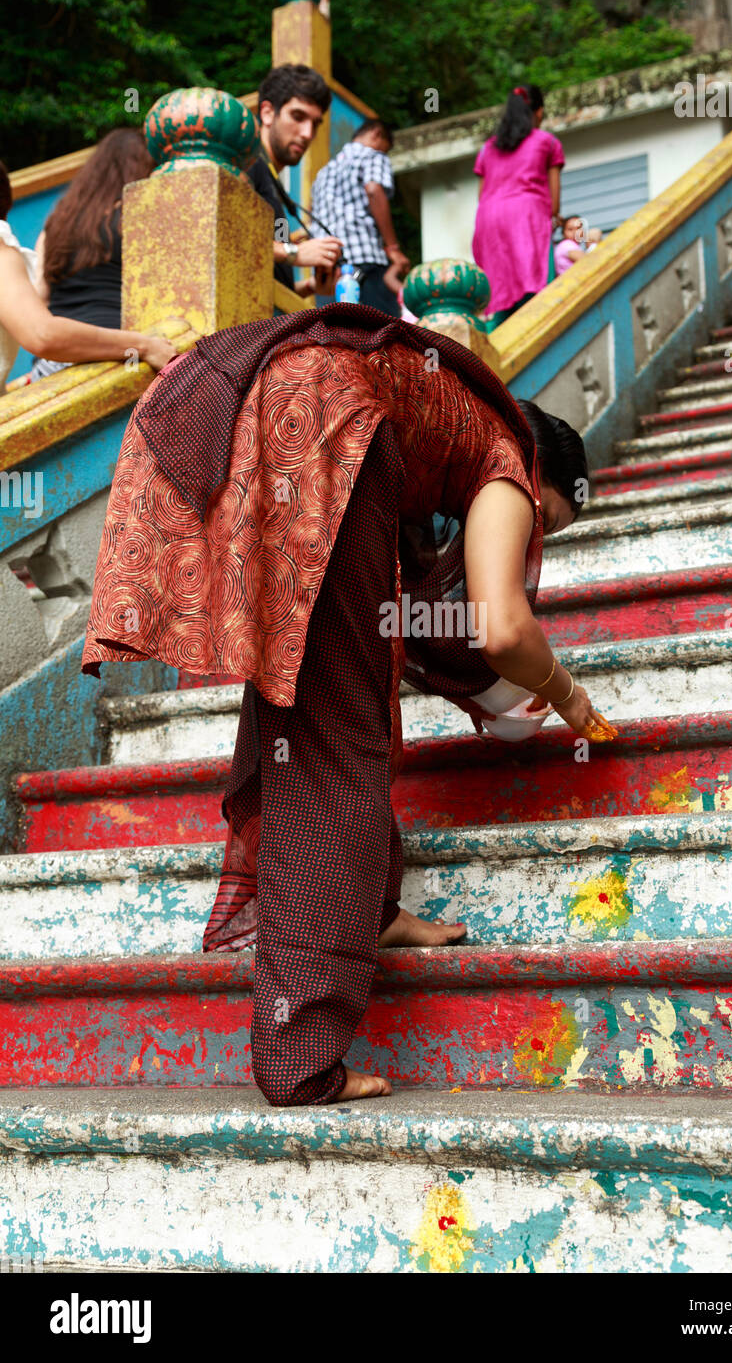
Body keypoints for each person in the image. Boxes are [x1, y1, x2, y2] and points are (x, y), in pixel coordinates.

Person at [81, 303, 605, 1107]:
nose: (532, 534)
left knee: (323, 699)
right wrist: (571, 700)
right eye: (546, 522)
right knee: (335, 741)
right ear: (540, 479)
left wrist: (476, 693)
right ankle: (299, 1055)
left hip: (269, 415)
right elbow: (502, 628)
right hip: (326, 430)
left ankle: (376, 908)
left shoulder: (438, 427)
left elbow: (418, 629)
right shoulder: (507, 459)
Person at [0, 159, 175, 390]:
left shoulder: (56, 224)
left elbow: (41, 295)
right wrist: (144, 346)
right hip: (108, 348)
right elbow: (41, 334)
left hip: (51, 367)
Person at [248, 64, 344, 299]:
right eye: (298, 116)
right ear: (268, 112)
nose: (307, 133)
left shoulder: (271, 182)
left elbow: (266, 286)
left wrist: (310, 286)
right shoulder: (247, 162)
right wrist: (294, 252)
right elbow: (224, 239)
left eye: (315, 123)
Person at [472, 85, 565, 325]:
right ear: (540, 112)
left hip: (488, 219)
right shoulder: (547, 142)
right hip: (525, 216)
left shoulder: (488, 148)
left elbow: (481, 195)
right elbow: (554, 204)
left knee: (499, 293)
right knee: (536, 290)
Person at [310, 119, 410, 317]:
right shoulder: (372, 155)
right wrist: (393, 248)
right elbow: (374, 190)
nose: (384, 152)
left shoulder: (322, 174)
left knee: (334, 343)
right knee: (383, 340)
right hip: (366, 262)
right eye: (385, 148)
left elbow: (311, 213)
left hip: (328, 274)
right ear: (376, 134)